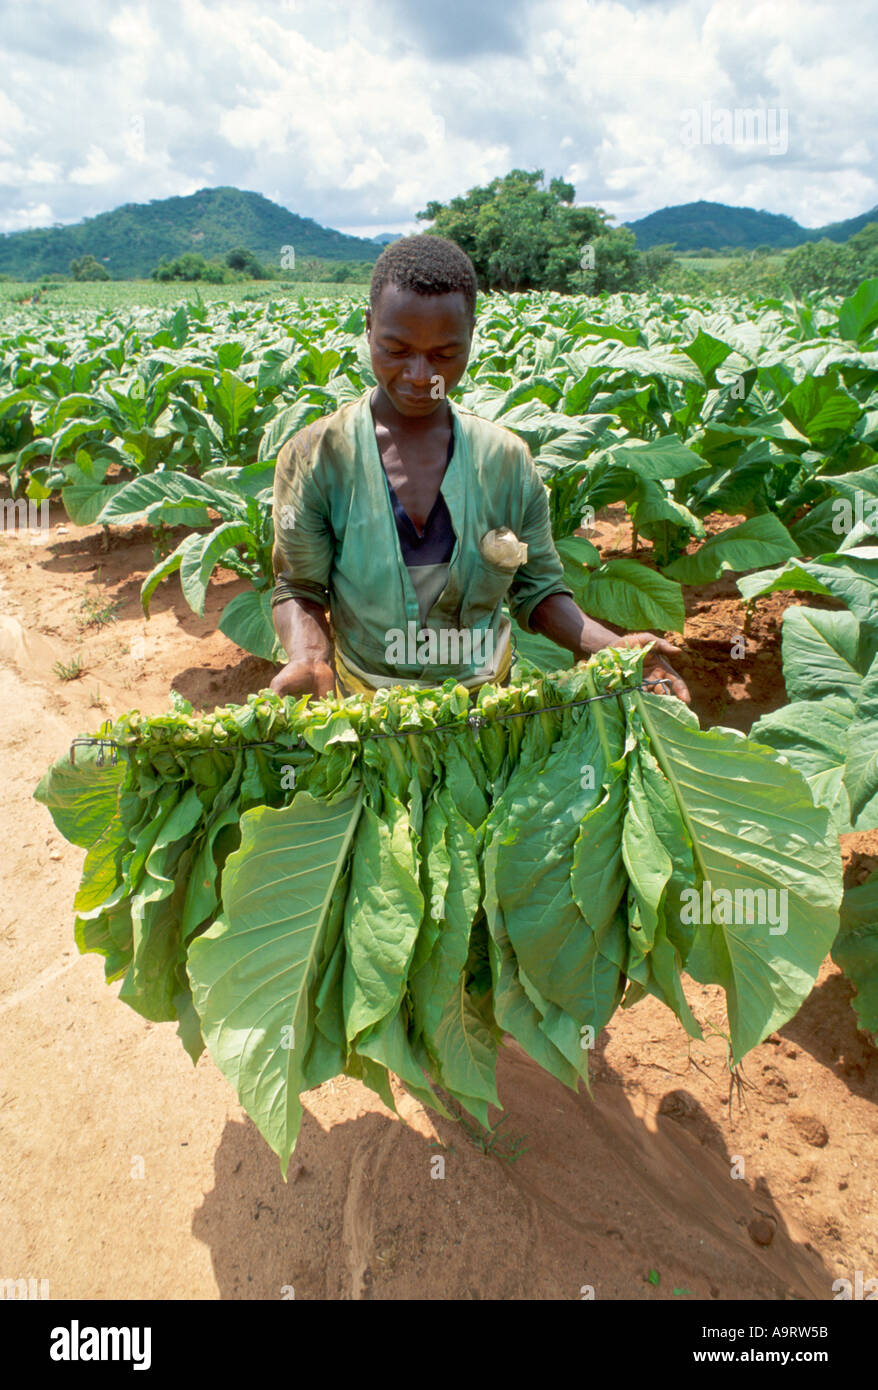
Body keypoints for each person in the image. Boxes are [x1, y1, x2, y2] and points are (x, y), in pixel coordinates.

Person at [269, 235, 690, 704]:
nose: (419, 374)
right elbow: (299, 585)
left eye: (444, 355)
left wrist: (611, 649)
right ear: (368, 328)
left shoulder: (507, 461)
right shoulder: (315, 456)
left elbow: (539, 591)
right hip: (368, 706)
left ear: (471, 337)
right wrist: (307, 657)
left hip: (487, 707)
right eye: (396, 349)